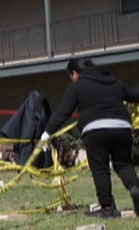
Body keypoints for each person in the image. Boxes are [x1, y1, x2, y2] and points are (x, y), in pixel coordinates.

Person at [41, 58, 139, 217]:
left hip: (95, 130)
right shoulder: (114, 81)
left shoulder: (77, 86)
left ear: (75, 74)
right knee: (124, 164)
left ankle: (107, 208)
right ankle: (136, 188)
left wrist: (47, 132)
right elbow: (134, 95)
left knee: (100, 168)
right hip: (122, 127)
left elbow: (63, 112)